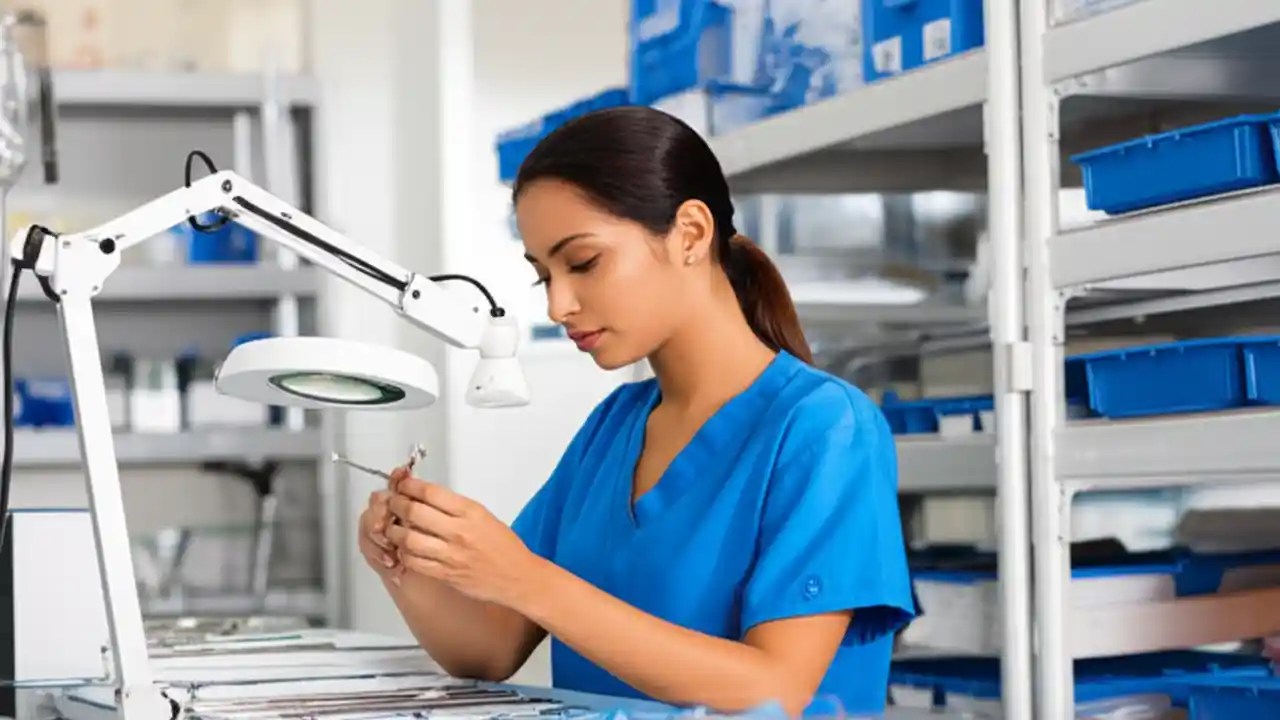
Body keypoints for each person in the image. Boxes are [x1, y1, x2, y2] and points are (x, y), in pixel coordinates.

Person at [357, 105, 916, 717]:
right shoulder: (614, 427)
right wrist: (406, 562)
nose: (558, 305)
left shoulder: (824, 429)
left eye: (584, 263)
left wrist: (525, 578)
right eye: (543, 275)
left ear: (691, 235)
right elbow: (490, 649)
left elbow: (774, 690)